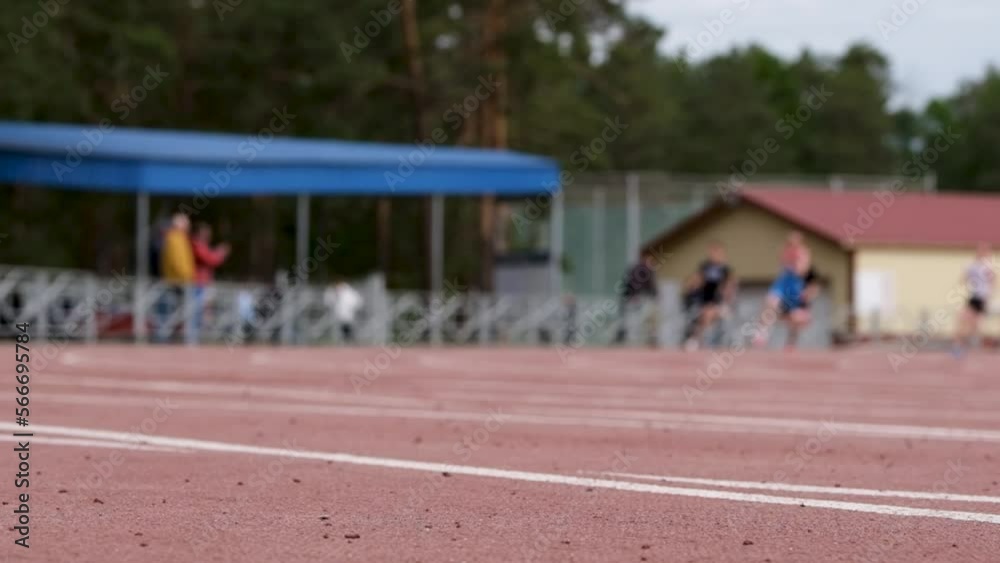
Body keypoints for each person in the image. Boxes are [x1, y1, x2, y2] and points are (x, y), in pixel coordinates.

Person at [753, 245, 813, 349]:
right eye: (801, 261)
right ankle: (762, 333)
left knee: (801, 317)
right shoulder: (788, 274)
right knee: (772, 300)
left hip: (791, 309)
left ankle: (790, 345)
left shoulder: (804, 280)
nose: (804, 265)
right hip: (780, 305)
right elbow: (784, 259)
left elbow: (805, 302)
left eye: (805, 262)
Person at [684, 241, 735, 351]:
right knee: (705, 314)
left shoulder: (725, 269)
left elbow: (730, 286)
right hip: (703, 303)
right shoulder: (704, 267)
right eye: (713, 252)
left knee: (712, 314)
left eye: (718, 252)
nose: (715, 255)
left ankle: (704, 340)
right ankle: (699, 339)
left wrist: (727, 295)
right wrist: (692, 286)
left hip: (719, 304)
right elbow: (695, 282)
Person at [953, 243, 995, 358]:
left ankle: (966, 345)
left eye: (985, 252)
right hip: (973, 297)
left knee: (973, 325)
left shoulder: (987, 267)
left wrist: (989, 295)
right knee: (964, 321)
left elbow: (993, 280)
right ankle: (960, 345)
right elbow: (963, 278)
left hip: (981, 299)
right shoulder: (972, 266)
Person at [190, 222, 231, 340]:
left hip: (202, 284)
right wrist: (221, 253)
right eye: (206, 233)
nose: (208, 236)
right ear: (200, 233)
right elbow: (209, 259)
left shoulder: (200, 245)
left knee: (203, 312)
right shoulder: (196, 244)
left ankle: (199, 337)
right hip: (198, 284)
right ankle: (194, 338)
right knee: (197, 313)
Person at [158, 213, 195, 342]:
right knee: (173, 314)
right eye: (186, 225)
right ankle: (165, 339)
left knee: (174, 314)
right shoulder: (175, 238)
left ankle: (167, 338)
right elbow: (177, 261)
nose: (188, 227)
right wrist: (188, 276)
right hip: (178, 282)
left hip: (178, 281)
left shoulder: (178, 238)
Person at [325, 278, 364, 343]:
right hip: (340, 315)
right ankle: (346, 340)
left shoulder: (349, 292)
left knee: (347, 328)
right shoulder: (335, 292)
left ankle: (348, 340)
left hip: (348, 315)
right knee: (342, 329)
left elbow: (357, 302)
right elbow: (328, 301)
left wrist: (352, 309)